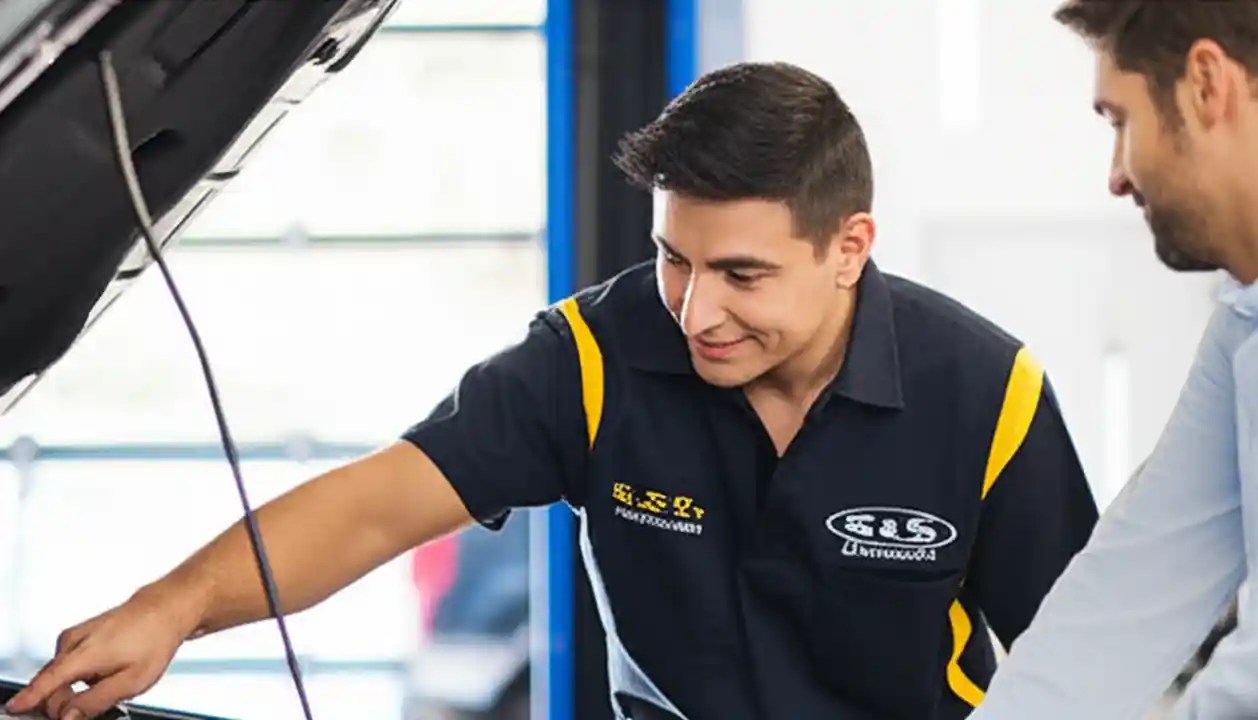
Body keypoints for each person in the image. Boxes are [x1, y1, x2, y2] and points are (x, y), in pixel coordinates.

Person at [6, 61, 1098, 720]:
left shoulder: (984, 393)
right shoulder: (591, 358)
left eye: (741, 274)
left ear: (848, 246)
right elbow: (376, 507)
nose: (695, 312)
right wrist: (172, 607)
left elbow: (1091, 661)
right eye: (674, 259)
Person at [971, 2, 1258, 719]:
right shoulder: (1249, 317)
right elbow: (1132, 583)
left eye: (1121, 121)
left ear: (1206, 84)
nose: (1116, 175)